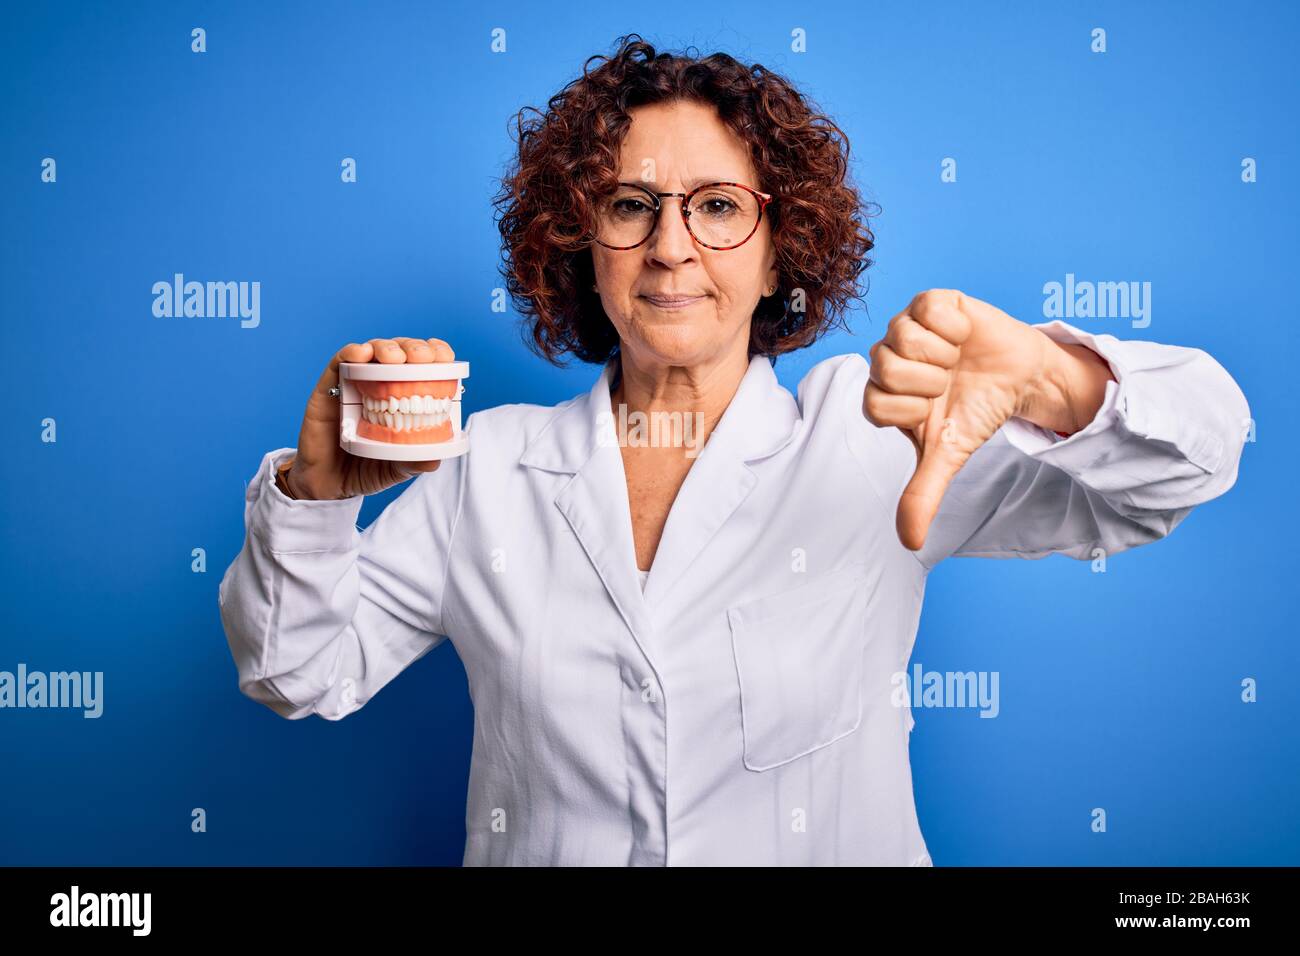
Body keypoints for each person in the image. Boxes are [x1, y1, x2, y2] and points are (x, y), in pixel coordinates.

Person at [218, 36, 1250, 866]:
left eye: (717, 207)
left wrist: (1052, 380)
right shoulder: (486, 468)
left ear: (778, 254)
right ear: (582, 245)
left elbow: (1190, 463)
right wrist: (315, 496)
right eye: (631, 205)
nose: (671, 247)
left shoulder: (875, 431)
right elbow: (296, 671)